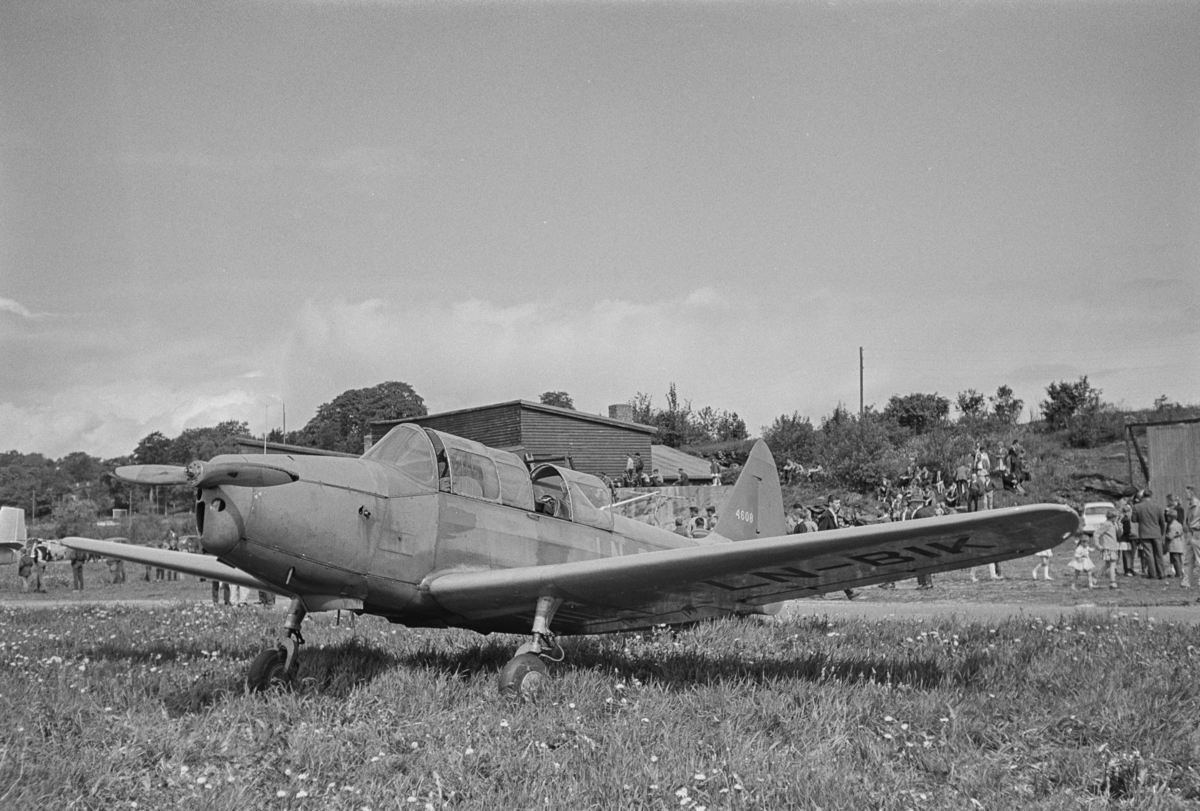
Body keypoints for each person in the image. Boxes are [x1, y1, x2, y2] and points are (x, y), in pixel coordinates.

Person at [1130, 489, 1167, 580]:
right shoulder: (1158, 506)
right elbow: (1162, 521)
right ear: (1151, 496)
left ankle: (1152, 574)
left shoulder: (1137, 507)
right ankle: (1161, 573)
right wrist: (1162, 533)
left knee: (1149, 554)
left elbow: (1133, 520)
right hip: (1156, 532)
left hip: (1144, 533)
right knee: (1159, 554)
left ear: (1142, 497)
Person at [1095, 509, 1120, 589]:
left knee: (1108, 565)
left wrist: (1119, 527)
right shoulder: (1106, 524)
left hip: (1113, 547)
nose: (1117, 518)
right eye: (1116, 517)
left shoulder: (1113, 524)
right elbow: (1096, 534)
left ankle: (1095, 576)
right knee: (1112, 564)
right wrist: (1097, 545)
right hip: (1108, 547)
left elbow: (1119, 534)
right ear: (1112, 517)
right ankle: (1113, 582)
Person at [1184, 484, 1200, 589]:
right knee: (1188, 559)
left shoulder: (1198, 505)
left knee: (1199, 559)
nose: (1185, 495)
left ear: (1192, 493)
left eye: (1186, 493)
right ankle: (1186, 581)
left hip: (1197, 533)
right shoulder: (1189, 505)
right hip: (1190, 533)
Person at [1165, 512, 1185, 579]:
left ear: (1171, 517)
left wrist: (1165, 535)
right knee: (1179, 560)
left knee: (1175, 560)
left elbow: (1170, 536)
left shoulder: (1172, 526)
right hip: (1179, 544)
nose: (1167, 518)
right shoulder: (1179, 524)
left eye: (1168, 517)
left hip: (1173, 545)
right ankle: (1180, 573)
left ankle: (1178, 574)